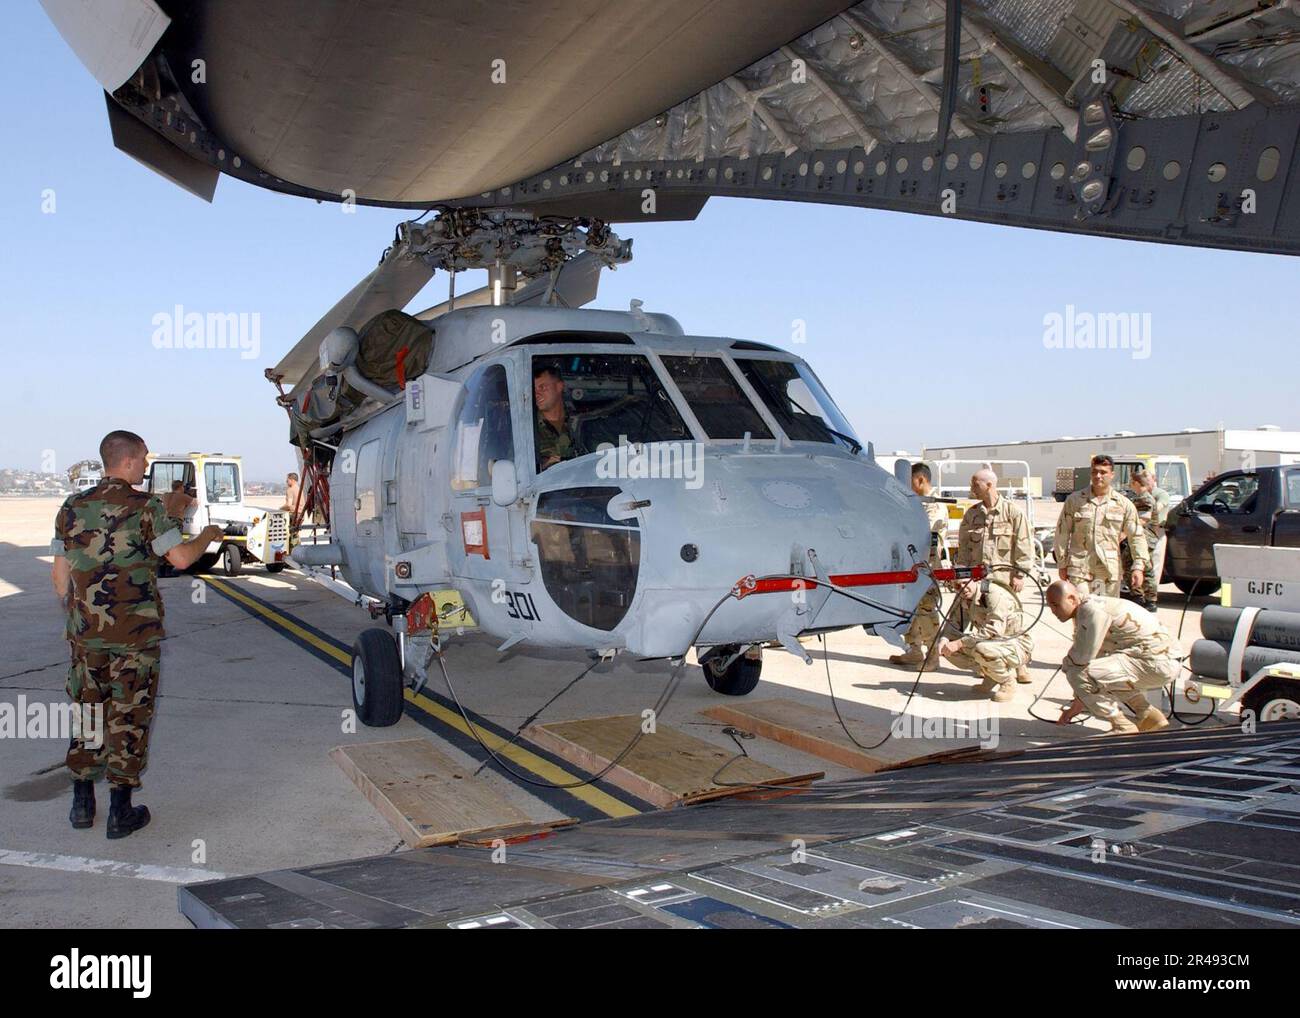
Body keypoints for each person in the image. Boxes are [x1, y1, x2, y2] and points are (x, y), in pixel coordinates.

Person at [51, 430, 223, 838]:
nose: (146, 466)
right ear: (127, 461)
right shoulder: (147, 507)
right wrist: (207, 535)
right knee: (130, 717)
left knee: (88, 713)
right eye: (144, 459)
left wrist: (81, 618)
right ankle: (120, 812)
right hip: (134, 638)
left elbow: (60, 581)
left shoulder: (72, 506)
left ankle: (81, 804)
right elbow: (180, 559)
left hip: (85, 637)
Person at [1046, 579, 1176, 735]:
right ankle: (1149, 716)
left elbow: (1082, 660)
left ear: (1072, 599)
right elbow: (1096, 658)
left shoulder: (1091, 611)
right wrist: (1078, 701)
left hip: (1155, 662)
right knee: (1103, 673)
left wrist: (1067, 664)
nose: (1053, 611)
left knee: (1077, 672)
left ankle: (1122, 726)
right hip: (1160, 662)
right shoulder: (1090, 607)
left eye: (1055, 605)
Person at [955, 467, 1036, 682]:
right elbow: (962, 548)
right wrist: (961, 574)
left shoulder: (1013, 513)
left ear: (989, 485)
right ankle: (990, 667)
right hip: (978, 582)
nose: (972, 488)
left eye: (975, 484)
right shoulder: (972, 515)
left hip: (1005, 582)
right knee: (983, 622)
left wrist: (1021, 574)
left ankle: (1020, 665)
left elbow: (1024, 545)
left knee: (1012, 624)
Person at [1055, 454, 1149, 597]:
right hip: (1080, 568)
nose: (1098, 476)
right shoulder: (1074, 501)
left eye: (1103, 472)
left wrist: (1138, 566)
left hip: (1108, 571)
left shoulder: (1123, 504)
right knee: (1082, 610)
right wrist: (1062, 563)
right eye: (1094, 472)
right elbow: (1062, 533)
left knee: (1106, 614)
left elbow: (1136, 536)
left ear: (1112, 475)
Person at [890, 463, 950, 671]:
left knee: (927, 614)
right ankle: (914, 651)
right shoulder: (916, 504)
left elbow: (920, 530)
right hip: (913, 569)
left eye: (911, 482)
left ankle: (933, 657)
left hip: (928, 570)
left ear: (921, 480)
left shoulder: (935, 505)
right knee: (909, 612)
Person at [936, 578, 1034, 702]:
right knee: (946, 647)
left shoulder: (993, 594)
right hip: (995, 643)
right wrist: (944, 640)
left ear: (976, 580)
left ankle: (1007, 681)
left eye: (965, 583)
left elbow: (993, 631)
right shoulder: (964, 596)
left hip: (1017, 644)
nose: (962, 588)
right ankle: (992, 675)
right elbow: (954, 622)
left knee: (981, 648)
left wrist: (960, 643)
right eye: (957, 585)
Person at [1120, 469, 1169, 612]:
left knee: (1143, 568)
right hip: (1139, 537)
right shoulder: (1139, 497)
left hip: (1145, 537)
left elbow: (1143, 519)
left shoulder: (1145, 498)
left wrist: (1124, 532)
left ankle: (1148, 599)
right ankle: (1139, 595)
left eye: (1131, 482)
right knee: (1131, 565)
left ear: (1135, 483)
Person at [534, 364, 579, 470]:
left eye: (542, 387)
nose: (537, 394)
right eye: (534, 389)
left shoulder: (583, 421)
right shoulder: (527, 429)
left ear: (559, 386)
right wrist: (543, 467)